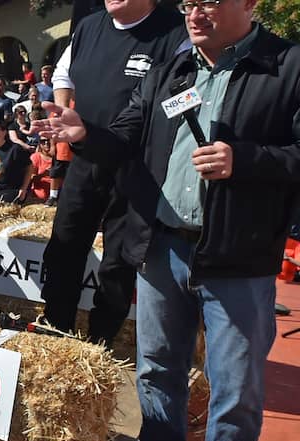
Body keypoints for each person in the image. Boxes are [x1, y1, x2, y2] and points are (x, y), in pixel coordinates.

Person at [35, 0, 300, 441]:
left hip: (238, 258)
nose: (195, 13)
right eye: (188, 3)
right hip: (163, 248)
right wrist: (84, 133)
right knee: (157, 368)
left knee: (236, 385)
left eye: (209, 2)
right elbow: (127, 136)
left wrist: (246, 160)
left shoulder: (287, 66)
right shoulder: (173, 66)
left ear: (249, 3)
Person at [38, 0, 187, 346]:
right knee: (64, 247)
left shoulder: (176, 33)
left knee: (117, 264)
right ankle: (57, 331)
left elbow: (181, 97)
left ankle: (100, 344)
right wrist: (62, 111)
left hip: (139, 168)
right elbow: (63, 74)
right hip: (85, 157)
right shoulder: (89, 27)